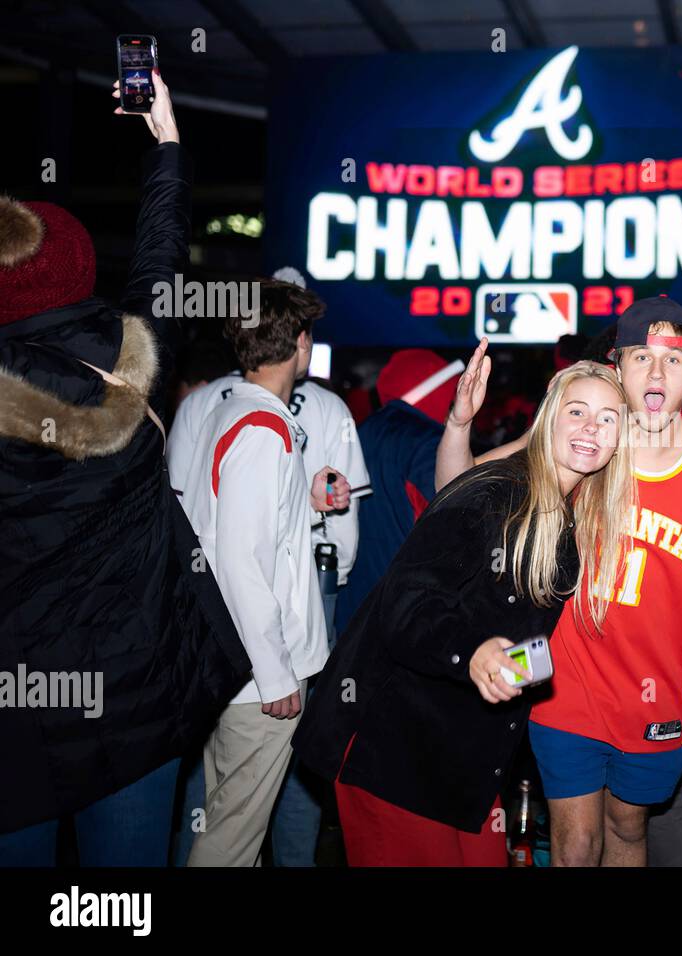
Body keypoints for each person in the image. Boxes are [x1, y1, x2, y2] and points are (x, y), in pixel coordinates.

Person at [0, 72, 250, 865]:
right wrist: (167, 143)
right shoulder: (132, 365)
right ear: (80, 274)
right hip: (133, 698)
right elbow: (160, 266)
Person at [436, 298, 682, 866]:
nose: (656, 374)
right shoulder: (581, 444)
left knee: (628, 829)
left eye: (674, 360)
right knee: (575, 843)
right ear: (616, 366)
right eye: (641, 358)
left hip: (655, 688)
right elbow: (457, 493)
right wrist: (460, 423)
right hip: (560, 680)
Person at [293, 361, 635, 866]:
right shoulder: (494, 492)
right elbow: (407, 603)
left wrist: (525, 668)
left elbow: (522, 635)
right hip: (391, 748)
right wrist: (473, 653)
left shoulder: (566, 519)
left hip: (462, 760)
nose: (591, 427)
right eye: (577, 411)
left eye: (607, 419)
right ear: (547, 420)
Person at [168, 277, 372, 867]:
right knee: (230, 842)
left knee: (228, 826)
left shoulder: (223, 410)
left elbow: (219, 521)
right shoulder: (264, 428)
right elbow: (240, 557)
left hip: (225, 661)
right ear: (301, 343)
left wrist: (301, 500)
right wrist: (276, 673)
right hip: (258, 674)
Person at [333, 347, 464, 636]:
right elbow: (459, 513)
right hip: (404, 614)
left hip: (350, 608)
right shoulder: (427, 442)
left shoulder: (361, 431)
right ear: (435, 392)